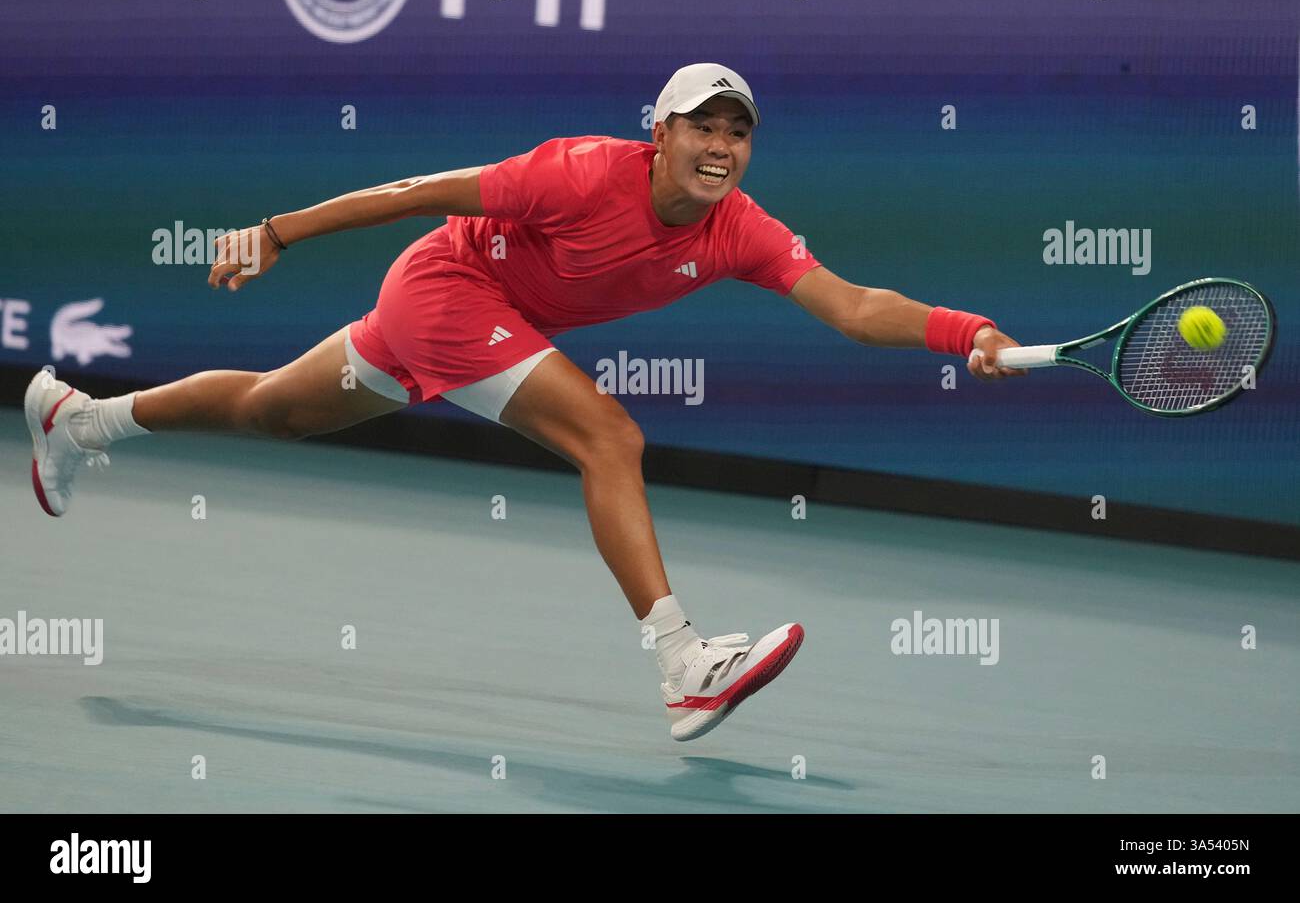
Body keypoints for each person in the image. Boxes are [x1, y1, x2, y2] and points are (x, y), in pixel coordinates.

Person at [25, 63, 1024, 741]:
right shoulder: (580, 171)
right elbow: (421, 191)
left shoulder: (740, 229)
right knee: (608, 433)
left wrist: (965, 330)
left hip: (466, 314)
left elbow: (851, 307)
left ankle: (77, 418)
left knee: (268, 411)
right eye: (701, 127)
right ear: (658, 132)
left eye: (737, 132)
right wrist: (280, 230)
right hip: (444, 288)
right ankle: (682, 663)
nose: (720, 145)